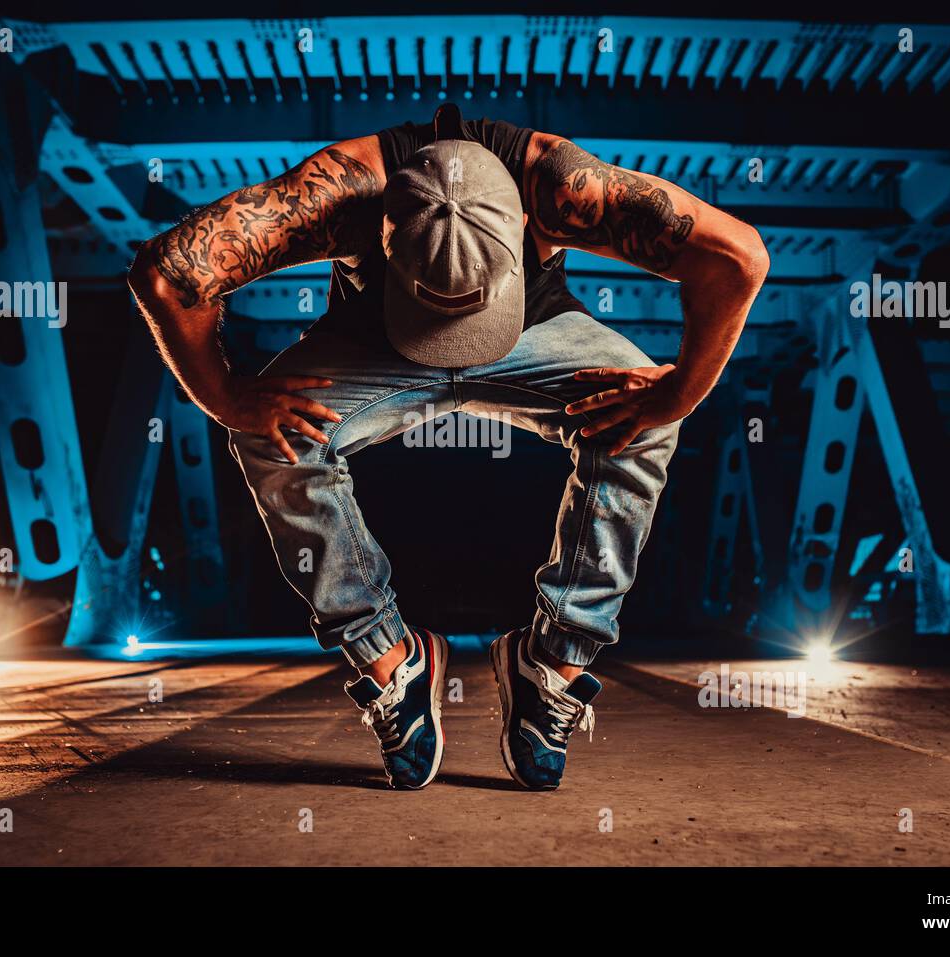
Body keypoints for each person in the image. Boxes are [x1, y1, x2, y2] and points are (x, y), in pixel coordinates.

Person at [128, 104, 768, 791]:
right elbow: (165, 276)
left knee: (642, 424)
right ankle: (389, 659)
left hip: (533, 330)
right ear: (380, 232)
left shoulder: (563, 187)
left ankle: (552, 659)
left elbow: (738, 257)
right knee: (269, 435)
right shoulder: (333, 195)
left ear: (529, 223)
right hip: (378, 341)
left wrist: (677, 396)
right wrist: (228, 401)